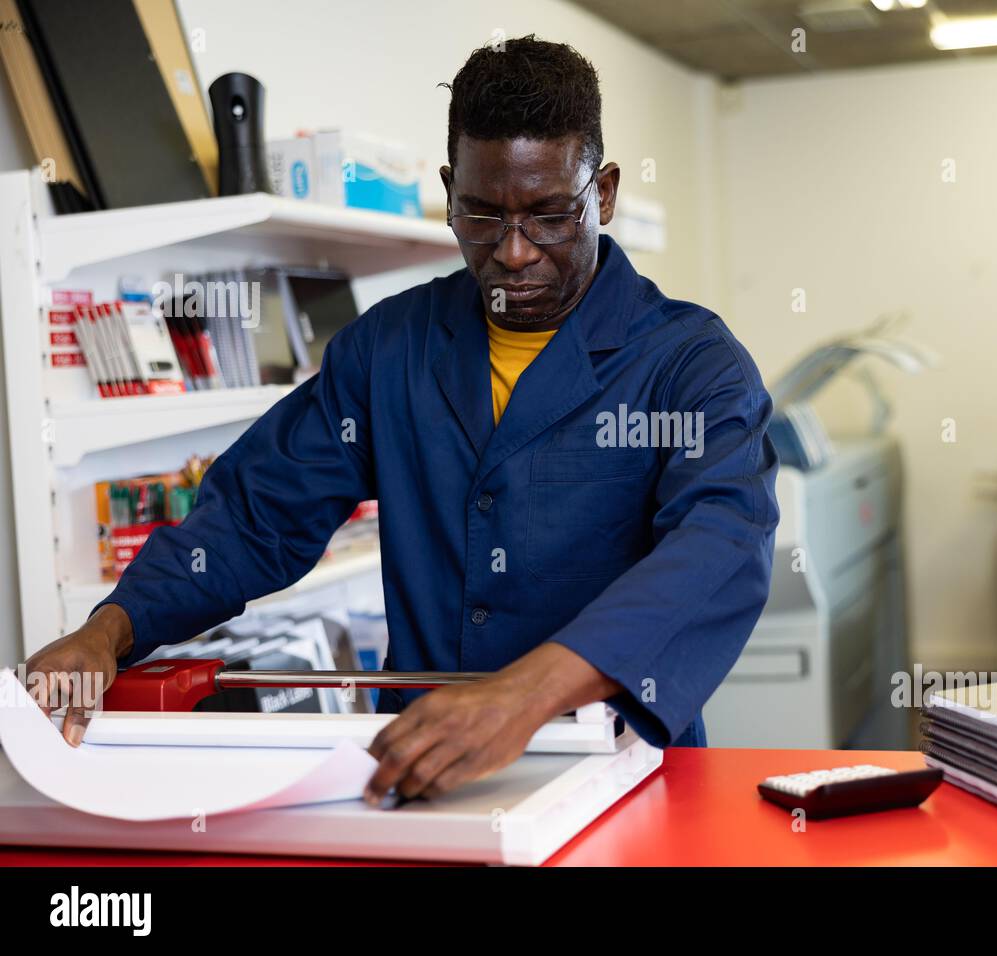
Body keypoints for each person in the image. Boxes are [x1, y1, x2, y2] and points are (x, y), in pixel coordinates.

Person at [24, 36, 780, 804]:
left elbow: (719, 544)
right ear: (451, 191)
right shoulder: (389, 348)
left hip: (620, 768)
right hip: (419, 774)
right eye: (482, 216)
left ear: (604, 193)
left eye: (549, 216)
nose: (515, 253)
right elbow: (256, 516)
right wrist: (110, 630)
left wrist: (524, 694)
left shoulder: (690, 363)